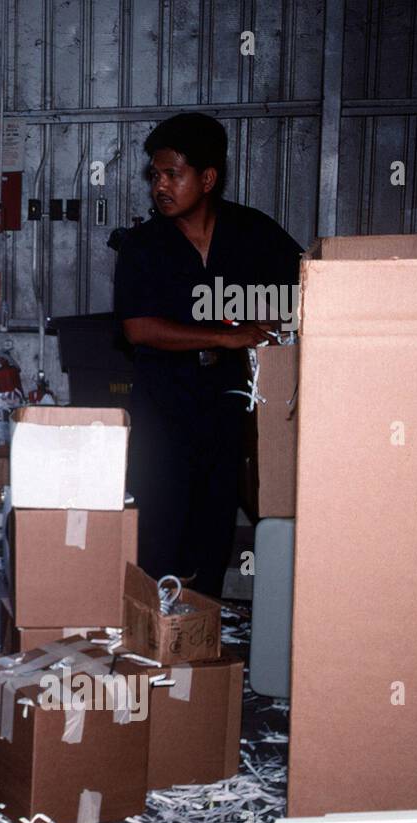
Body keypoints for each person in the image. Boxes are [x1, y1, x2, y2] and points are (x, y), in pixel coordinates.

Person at [113, 112, 302, 598]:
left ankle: (200, 634)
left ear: (208, 178)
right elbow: (138, 329)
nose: (160, 185)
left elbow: (308, 287)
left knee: (214, 526)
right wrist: (226, 336)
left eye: (172, 174)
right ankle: (155, 634)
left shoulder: (253, 233)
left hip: (227, 406)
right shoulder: (143, 246)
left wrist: (277, 327)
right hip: (164, 405)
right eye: (154, 175)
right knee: (161, 523)